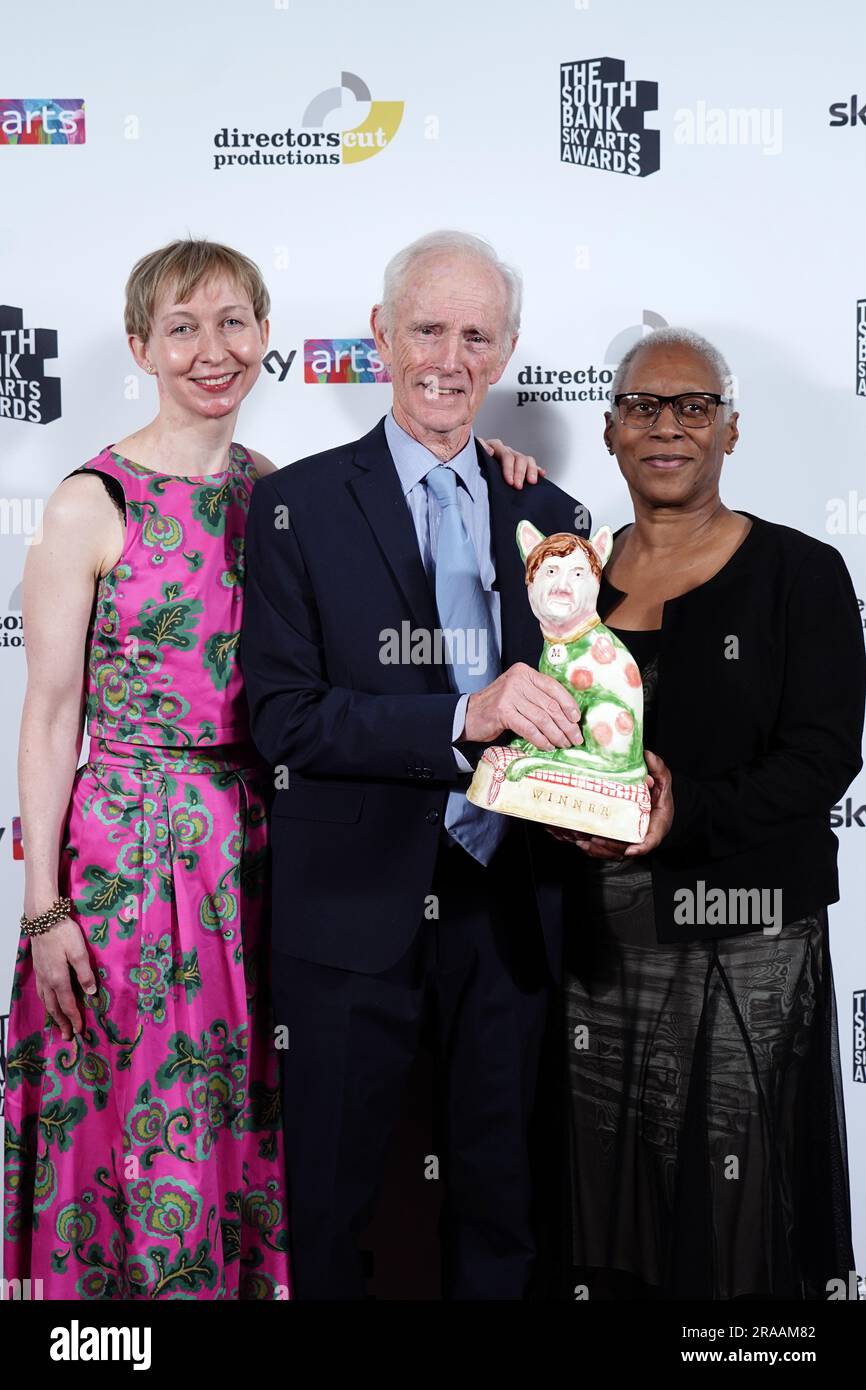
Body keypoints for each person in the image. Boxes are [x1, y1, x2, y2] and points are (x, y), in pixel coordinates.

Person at [240, 229, 590, 1300]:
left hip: (508, 899)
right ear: (381, 336)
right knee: (336, 1199)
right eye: (427, 327)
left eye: (475, 335)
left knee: (501, 1194)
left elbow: (581, 707)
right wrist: (462, 714)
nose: (448, 355)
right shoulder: (293, 506)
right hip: (348, 904)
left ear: (507, 351)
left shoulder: (548, 512)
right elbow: (285, 720)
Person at [514, 326, 865, 1300]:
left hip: (743, 942)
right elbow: (542, 740)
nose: (666, 426)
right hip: (596, 948)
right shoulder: (569, 576)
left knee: (733, 1218)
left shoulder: (799, 573)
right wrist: (550, 802)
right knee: (600, 1208)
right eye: (642, 406)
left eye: (692, 406)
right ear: (611, 429)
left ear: (729, 430)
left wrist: (683, 814)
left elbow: (822, 757)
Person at [2, 239, 293, 1299]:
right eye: (182, 327)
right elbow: (47, 715)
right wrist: (42, 910)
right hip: (129, 857)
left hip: (254, 844)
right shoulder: (92, 501)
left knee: (238, 1102)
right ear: (141, 346)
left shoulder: (274, 494)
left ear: (264, 336)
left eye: (230, 322)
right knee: (134, 1104)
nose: (210, 350)